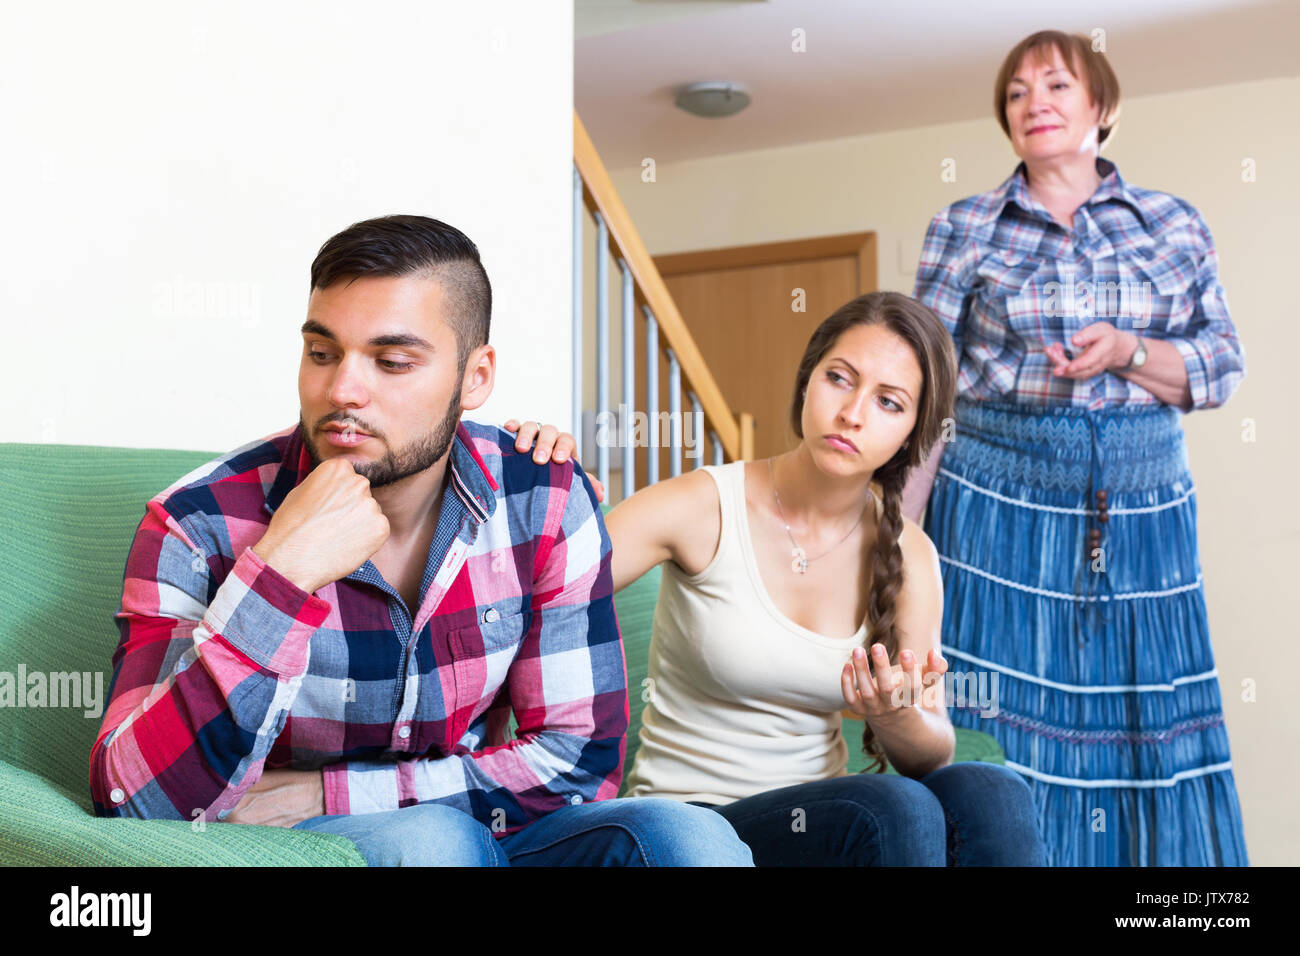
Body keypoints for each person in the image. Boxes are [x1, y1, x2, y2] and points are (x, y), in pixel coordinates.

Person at [90, 214, 753, 867]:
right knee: (434, 844)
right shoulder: (198, 522)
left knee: (689, 837)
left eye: (393, 362)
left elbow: (576, 763)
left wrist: (332, 792)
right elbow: (130, 798)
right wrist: (280, 575)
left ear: (475, 377)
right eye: (322, 353)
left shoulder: (542, 496)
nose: (342, 390)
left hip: (481, 821)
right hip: (297, 845)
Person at [508, 291, 1047, 866]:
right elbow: (532, 590)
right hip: (695, 827)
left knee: (992, 789)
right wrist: (543, 490)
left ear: (914, 431)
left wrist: (895, 715)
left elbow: (933, 752)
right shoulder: (703, 505)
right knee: (895, 806)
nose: (853, 412)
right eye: (839, 378)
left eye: (888, 402)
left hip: (823, 829)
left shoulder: (909, 553)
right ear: (807, 380)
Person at [901, 31, 1249, 865]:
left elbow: (1221, 366)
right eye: (1017, 93)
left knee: (1147, 729)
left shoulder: (1172, 222)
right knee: (992, 719)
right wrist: (892, 537)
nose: (1035, 103)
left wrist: (1128, 351)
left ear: (1101, 105)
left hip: (1144, 517)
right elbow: (923, 392)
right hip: (991, 516)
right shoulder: (963, 226)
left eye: (1057, 85)